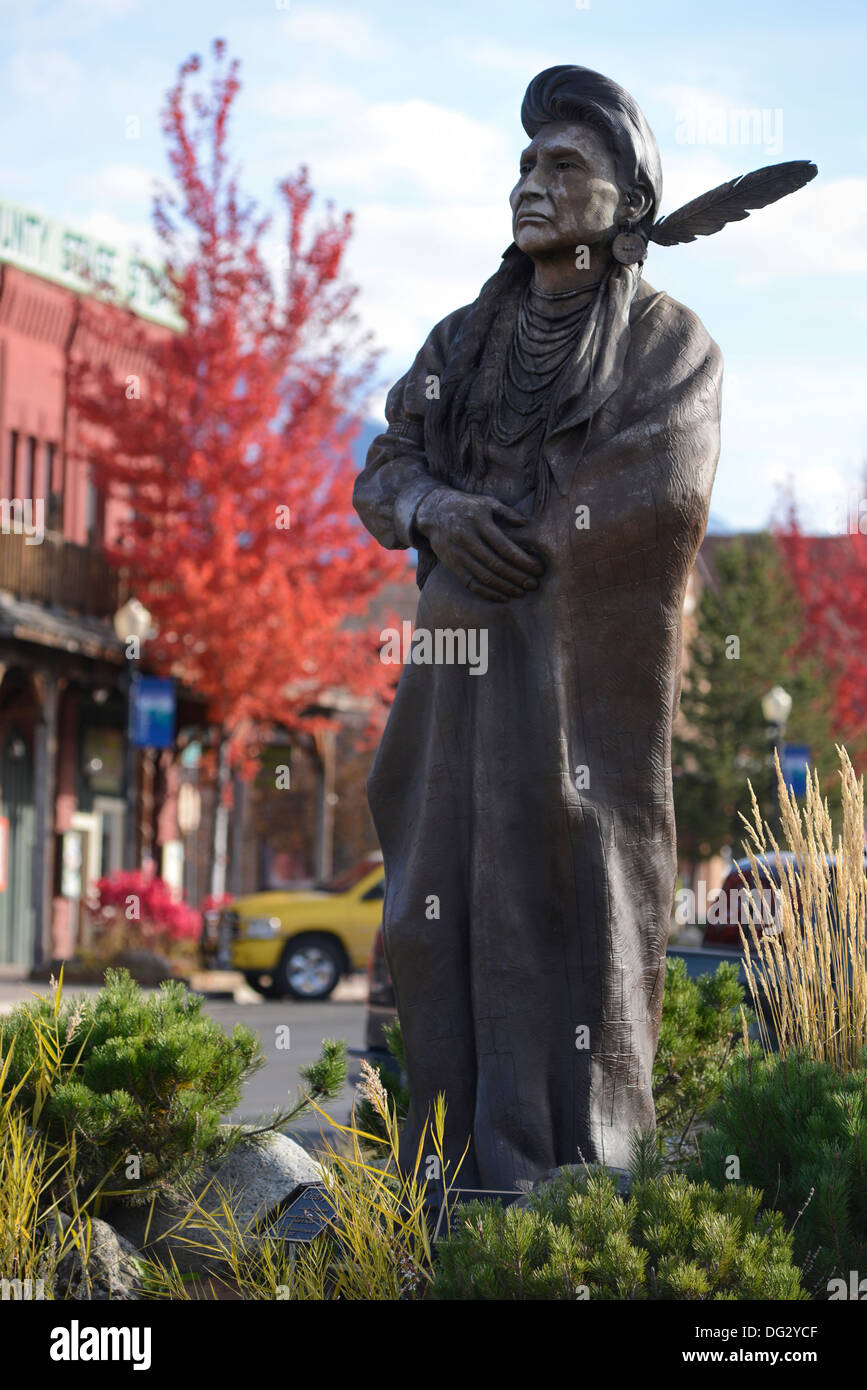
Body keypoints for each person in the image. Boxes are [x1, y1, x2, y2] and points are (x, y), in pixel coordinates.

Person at [353, 65, 722, 1190]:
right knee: (429, 914)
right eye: (526, 164)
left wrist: (512, 538)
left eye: (565, 166)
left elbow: (658, 490)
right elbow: (385, 466)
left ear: (628, 204)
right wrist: (435, 509)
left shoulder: (670, 346)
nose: (533, 183)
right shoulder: (463, 339)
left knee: (562, 905)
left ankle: (567, 1175)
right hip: (449, 686)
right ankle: (443, 1164)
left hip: (570, 693)